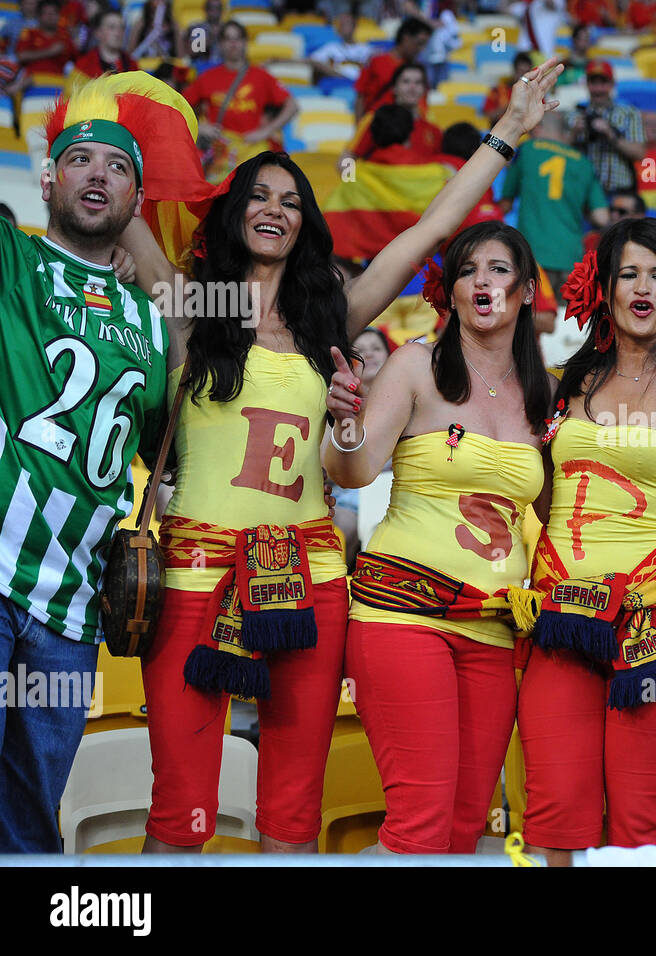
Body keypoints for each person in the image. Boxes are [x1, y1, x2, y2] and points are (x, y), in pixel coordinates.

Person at [122, 56, 572, 856]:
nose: (274, 210)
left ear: (306, 225)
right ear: (231, 215)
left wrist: (507, 130)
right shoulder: (189, 310)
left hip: (312, 576)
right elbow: (116, 211)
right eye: (258, 196)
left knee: (293, 810)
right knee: (180, 807)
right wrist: (97, 134)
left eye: (292, 202)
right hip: (193, 573)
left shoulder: (333, 316)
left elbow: (432, 232)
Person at [324, 221, 552, 854]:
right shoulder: (417, 364)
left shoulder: (545, 396)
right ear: (449, 290)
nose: (484, 281)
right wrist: (345, 425)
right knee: (420, 822)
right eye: (469, 269)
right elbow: (354, 469)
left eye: (500, 269)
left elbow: (567, 513)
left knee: (464, 826)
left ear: (528, 291)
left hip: (492, 627)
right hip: (403, 616)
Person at [518, 216, 656, 856]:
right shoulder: (563, 382)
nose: (643, 288)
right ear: (607, 290)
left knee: (643, 827)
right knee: (555, 813)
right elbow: (544, 492)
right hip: (562, 622)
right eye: (629, 274)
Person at [0, 73, 175, 853]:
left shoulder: (155, 319)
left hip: (74, 605)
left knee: (32, 817)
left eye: (118, 166)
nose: (97, 174)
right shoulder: (13, 264)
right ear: (49, 179)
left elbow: (164, 453)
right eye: (80, 159)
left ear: (139, 200)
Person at [498, 109, 609, 300]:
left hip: (534, 255)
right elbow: (602, 217)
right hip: (571, 257)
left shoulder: (528, 149)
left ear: (538, 128)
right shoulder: (583, 162)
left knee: (531, 320)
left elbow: (505, 204)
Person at [182, 21, 299, 173]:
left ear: (245, 43)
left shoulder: (261, 76)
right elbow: (179, 106)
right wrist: (199, 126)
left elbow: (292, 106)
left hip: (251, 148)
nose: (233, 43)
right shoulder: (207, 78)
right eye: (228, 39)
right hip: (219, 151)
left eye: (237, 38)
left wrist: (267, 130)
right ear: (220, 44)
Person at [331, 326, 391, 569]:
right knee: (338, 534)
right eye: (362, 351)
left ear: (390, 357)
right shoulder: (338, 402)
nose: (370, 355)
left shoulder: (409, 397)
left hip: (396, 487)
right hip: (352, 492)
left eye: (376, 349)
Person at [569, 59, 646, 196]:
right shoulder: (576, 114)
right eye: (594, 82)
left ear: (612, 84)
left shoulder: (629, 113)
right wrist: (574, 133)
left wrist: (610, 134)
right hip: (585, 191)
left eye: (603, 82)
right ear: (587, 84)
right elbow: (559, 150)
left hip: (620, 191)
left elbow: (640, 154)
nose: (598, 89)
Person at [345, 63, 442, 163]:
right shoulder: (375, 119)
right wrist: (353, 179)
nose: (412, 87)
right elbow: (347, 159)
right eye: (406, 82)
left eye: (418, 83)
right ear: (394, 88)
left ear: (424, 90)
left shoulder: (432, 126)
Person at [353, 16, 431, 119]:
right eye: (419, 43)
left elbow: (422, 103)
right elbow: (360, 96)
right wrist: (360, 127)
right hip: (376, 123)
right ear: (406, 38)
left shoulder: (418, 70)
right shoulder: (375, 61)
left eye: (424, 45)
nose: (421, 49)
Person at [67, 8, 136, 83]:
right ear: (98, 32)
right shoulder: (83, 66)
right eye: (112, 27)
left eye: (122, 27)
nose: (118, 33)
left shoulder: (132, 65)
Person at [308, 6, 372, 82]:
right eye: (342, 25)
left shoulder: (366, 48)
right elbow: (313, 60)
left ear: (355, 26)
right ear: (338, 29)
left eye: (347, 24)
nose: (344, 27)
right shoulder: (331, 47)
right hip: (336, 80)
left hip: (359, 81)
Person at [15, 0, 72, 76]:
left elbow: (76, 59)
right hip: (31, 81)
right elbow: (21, 56)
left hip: (58, 82)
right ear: (38, 16)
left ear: (59, 16)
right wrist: (49, 52)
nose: (50, 16)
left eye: (54, 13)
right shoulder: (30, 33)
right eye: (47, 13)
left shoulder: (65, 37)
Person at [484, 53, 533, 126]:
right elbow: (490, 116)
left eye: (526, 73)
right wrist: (511, 106)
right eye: (521, 72)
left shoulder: (534, 91)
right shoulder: (498, 90)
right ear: (514, 71)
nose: (524, 76)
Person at [183, 0, 225, 65]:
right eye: (211, 8)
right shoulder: (197, 28)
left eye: (218, 8)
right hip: (201, 67)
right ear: (205, 10)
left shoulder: (227, 28)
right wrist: (209, 39)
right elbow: (190, 52)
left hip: (222, 67)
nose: (215, 11)